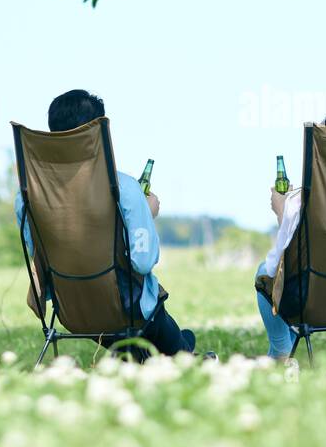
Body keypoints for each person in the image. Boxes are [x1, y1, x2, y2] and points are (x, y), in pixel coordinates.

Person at [15, 89, 197, 360]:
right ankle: (184, 356)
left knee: (149, 340)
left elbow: (39, 253)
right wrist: (146, 213)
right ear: (96, 134)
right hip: (125, 309)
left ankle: (146, 357)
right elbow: (143, 262)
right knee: (160, 326)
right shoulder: (123, 188)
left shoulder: (27, 196)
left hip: (72, 311)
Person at [255, 112, 326, 359]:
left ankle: (281, 352)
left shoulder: (303, 199)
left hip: (307, 302)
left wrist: (284, 213)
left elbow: (277, 265)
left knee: (264, 271)